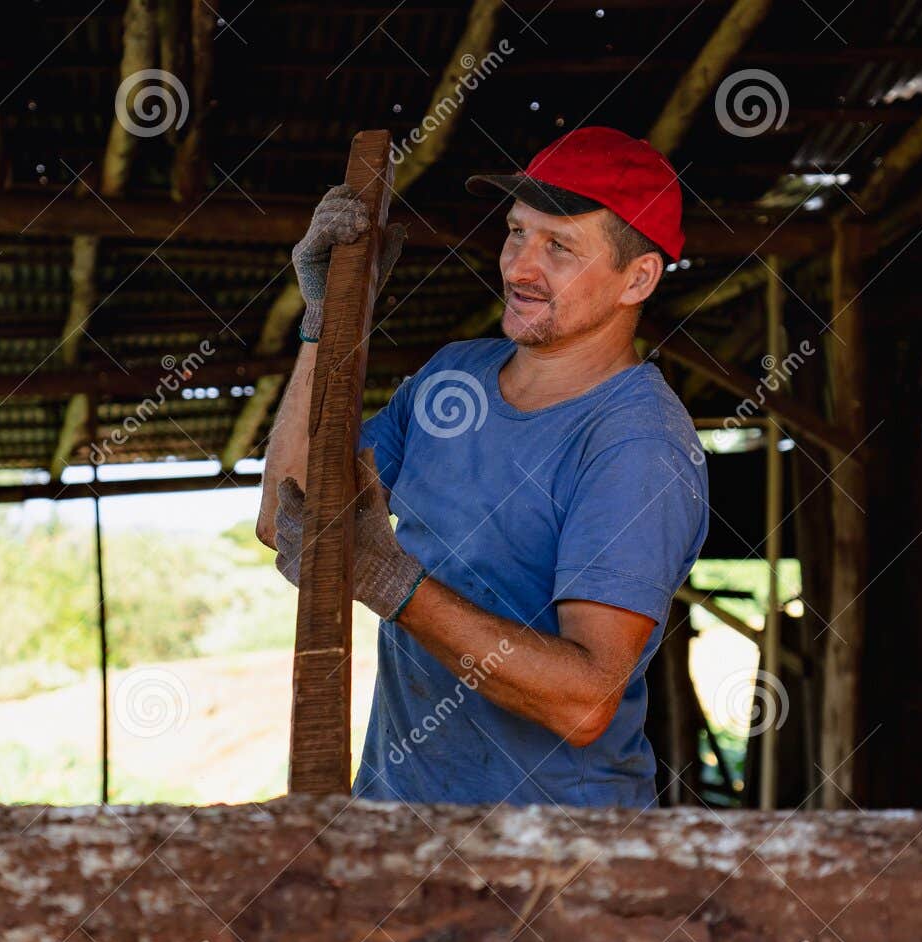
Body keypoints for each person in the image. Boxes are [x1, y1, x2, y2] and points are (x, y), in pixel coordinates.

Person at [258, 126, 709, 808]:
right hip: (399, 823)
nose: (520, 266)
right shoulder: (453, 379)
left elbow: (584, 703)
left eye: (559, 247)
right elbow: (287, 515)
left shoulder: (639, 445)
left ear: (637, 277)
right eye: (516, 232)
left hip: (555, 857)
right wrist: (327, 319)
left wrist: (394, 585)